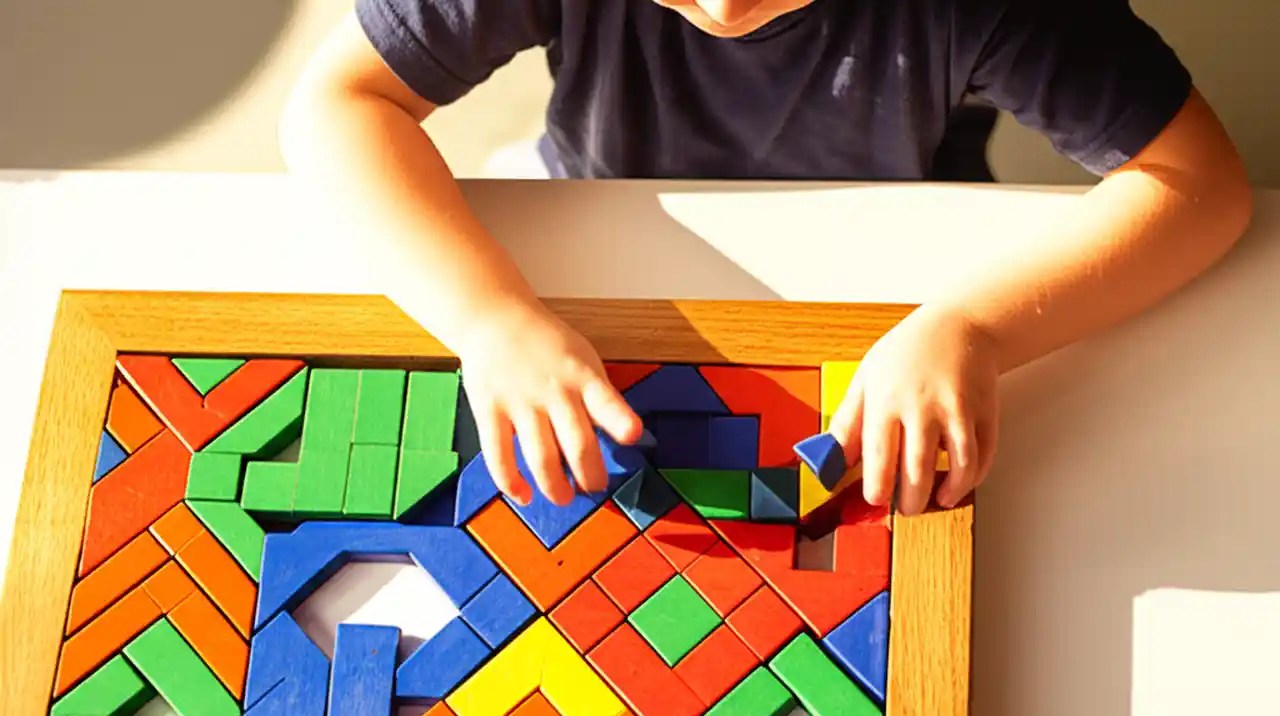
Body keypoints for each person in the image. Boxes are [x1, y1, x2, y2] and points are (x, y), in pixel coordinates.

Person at [279, 0, 1253, 515]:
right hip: (593, 222)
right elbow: (336, 107)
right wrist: (486, 318)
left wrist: (974, 327)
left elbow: (1200, 183)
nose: (720, 0)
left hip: (900, 250)